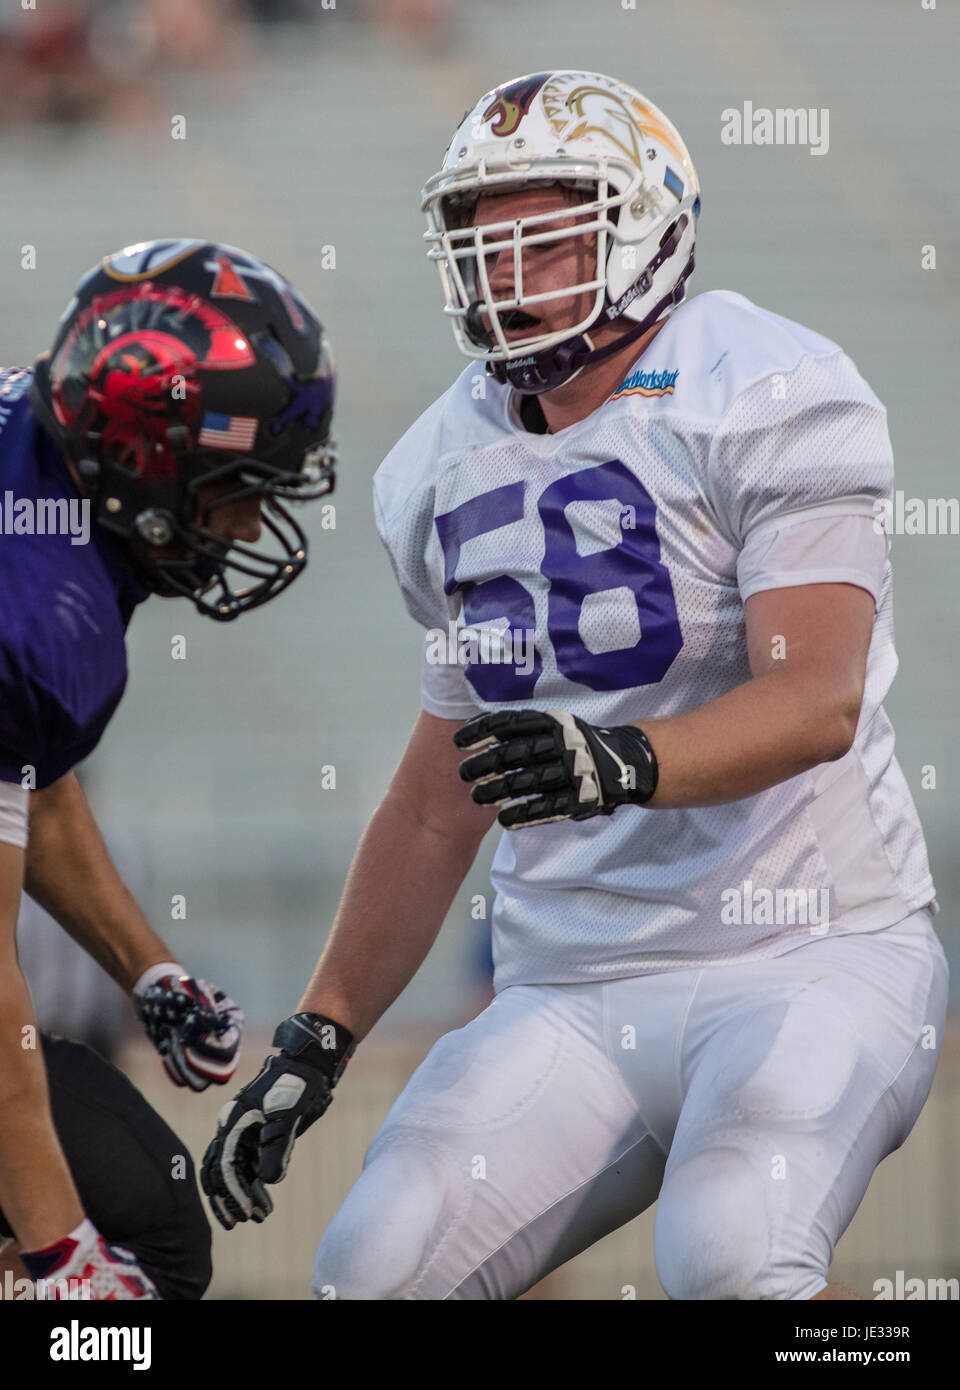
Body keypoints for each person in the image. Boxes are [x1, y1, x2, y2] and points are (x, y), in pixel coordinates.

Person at [202, 72, 946, 1301]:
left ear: (647, 229)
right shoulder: (439, 463)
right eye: (482, 245)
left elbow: (817, 695)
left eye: (543, 240)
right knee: (370, 1266)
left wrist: (621, 761)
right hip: (575, 983)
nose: (506, 277)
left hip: (815, 949)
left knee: (733, 1251)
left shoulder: (762, 386)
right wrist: (318, 1036)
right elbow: (440, 804)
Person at [0, 237, 336, 1299]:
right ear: (153, 466)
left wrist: (146, 966)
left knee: (143, 1206)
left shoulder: (39, 461)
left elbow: (27, 778)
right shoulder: (34, 613)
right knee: (124, 1236)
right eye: (237, 487)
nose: (249, 521)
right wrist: (59, 1250)